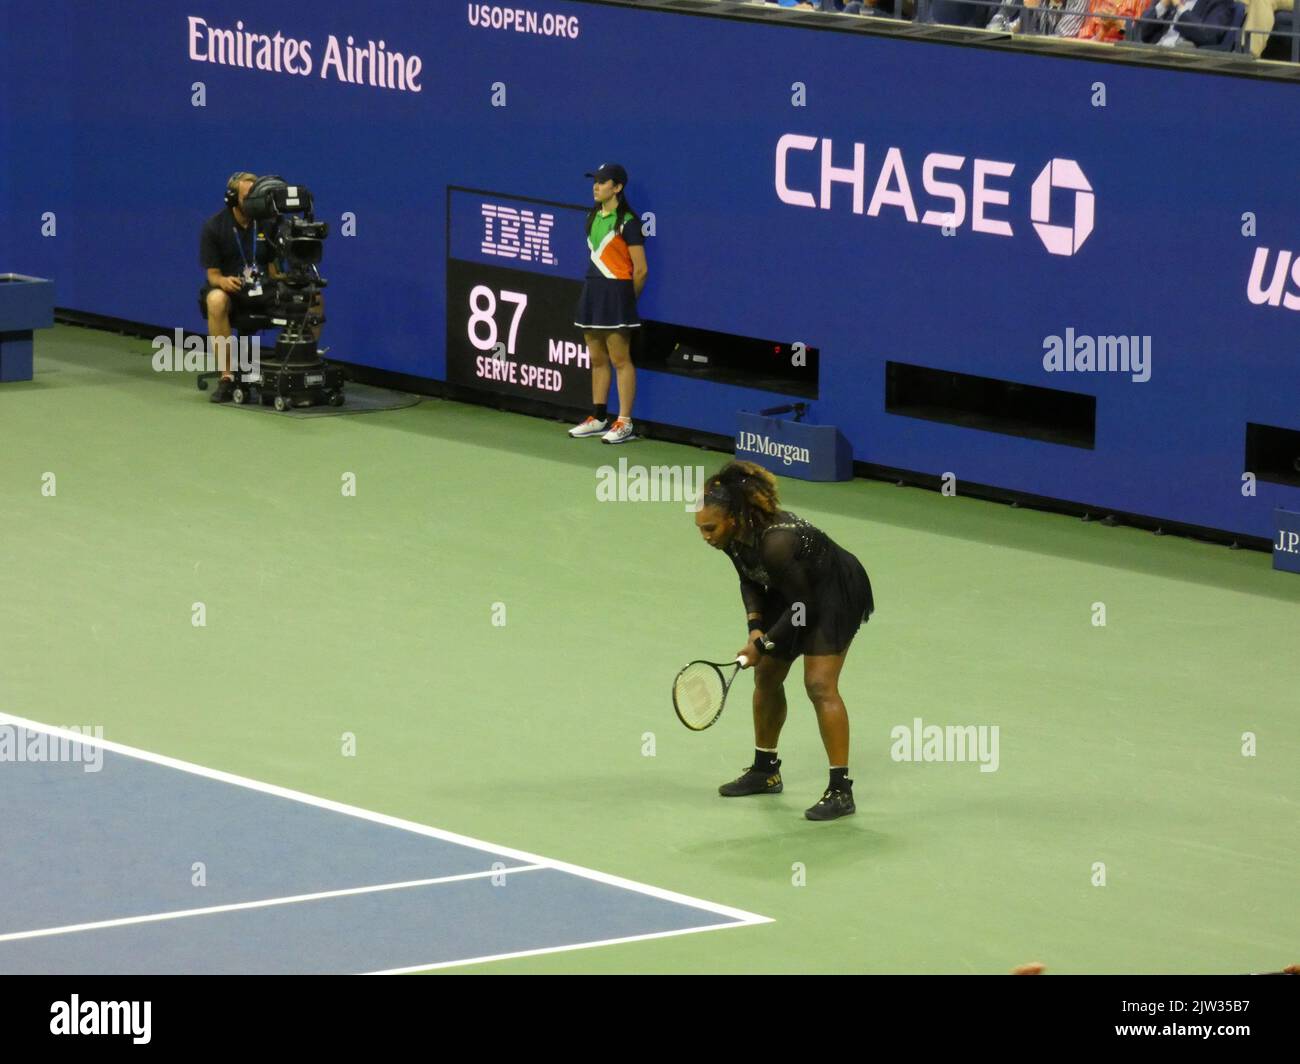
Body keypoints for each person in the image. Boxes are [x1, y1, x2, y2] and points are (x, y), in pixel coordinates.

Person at [694, 461, 875, 821]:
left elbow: (804, 609)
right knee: (767, 677)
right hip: (792, 589)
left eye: (710, 528)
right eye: (699, 529)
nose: (706, 536)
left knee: (819, 685)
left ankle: (841, 791)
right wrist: (756, 627)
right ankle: (765, 770)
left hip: (833, 593)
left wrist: (760, 647)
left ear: (733, 517)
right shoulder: (731, 536)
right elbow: (749, 579)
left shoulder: (777, 542)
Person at [568, 163, 647, 445]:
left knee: (620, 360)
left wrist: (627, 300)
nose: (596, 186)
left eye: (603, 182)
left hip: (616, 296)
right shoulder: (591, 216)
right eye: (595, 181)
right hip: (592, 291)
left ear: (617, 187)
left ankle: (624, 422)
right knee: (597, 359)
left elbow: (640, 270)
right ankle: (599, 416)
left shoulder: (628, 222)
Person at [198, 172, 272, 403]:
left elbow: (274, 268)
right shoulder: (214, 227)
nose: (252, 202)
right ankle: (227, 377)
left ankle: (300, 372)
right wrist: (224, 282)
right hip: (232, 292)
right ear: (232, 198)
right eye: (246, 196)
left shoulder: (268, 223)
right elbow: (212, 275)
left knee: (313, 298)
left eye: (256, 196)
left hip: (262, 290)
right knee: (216, 299)